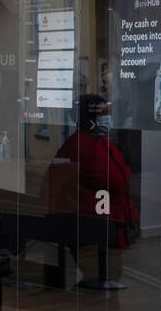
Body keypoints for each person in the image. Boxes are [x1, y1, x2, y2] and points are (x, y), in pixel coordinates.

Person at [52, 93, 139, 285]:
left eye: (107, 113)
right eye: (103, 114)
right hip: (92, 224)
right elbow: (59, 182)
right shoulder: (78, 144)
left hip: (109, 219)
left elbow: (119, 176)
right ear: (89, 117)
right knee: (102, 270)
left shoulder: (101, 141)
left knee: (112, 271)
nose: (107, 119)